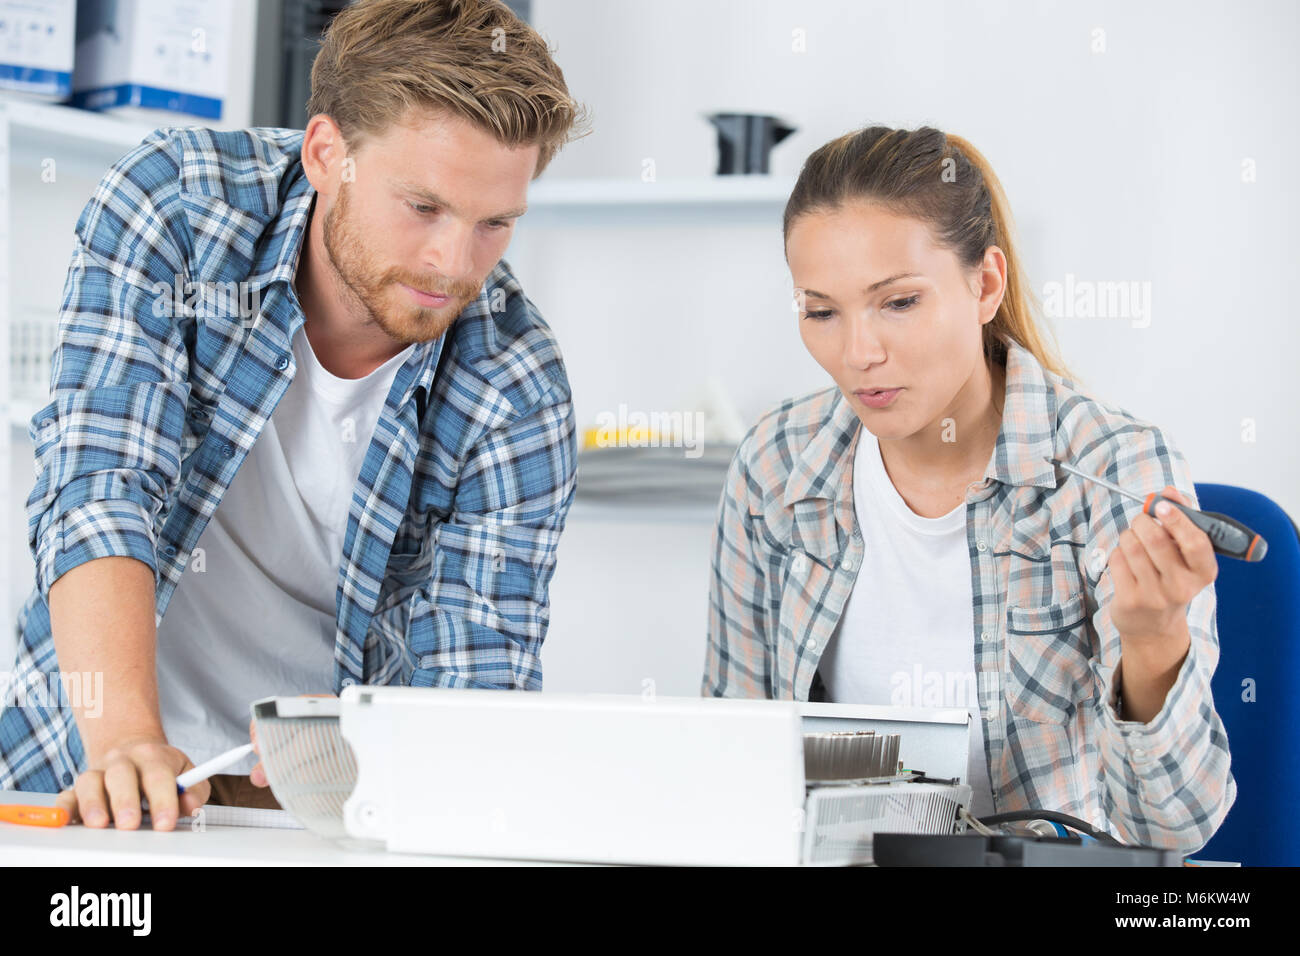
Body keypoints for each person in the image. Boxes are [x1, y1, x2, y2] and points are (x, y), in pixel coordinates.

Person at [0, 0, 589, 830]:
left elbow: (477, 684)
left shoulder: (515, 383)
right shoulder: (177, 209)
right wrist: (127, 741)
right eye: (423, 207)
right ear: (326, 153)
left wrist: (371, 753)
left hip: (327, 813)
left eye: (495, 223)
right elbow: (100, 488)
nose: (453, 265)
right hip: (84, 763)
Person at [702, 125, 1235, 853]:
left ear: (985, 284)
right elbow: (729, 777)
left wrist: (1152, 646)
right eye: (821, 311)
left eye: (898, 303)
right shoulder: (775, 465)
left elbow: (1174, 828)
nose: (859, 354)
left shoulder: (1115, 468)